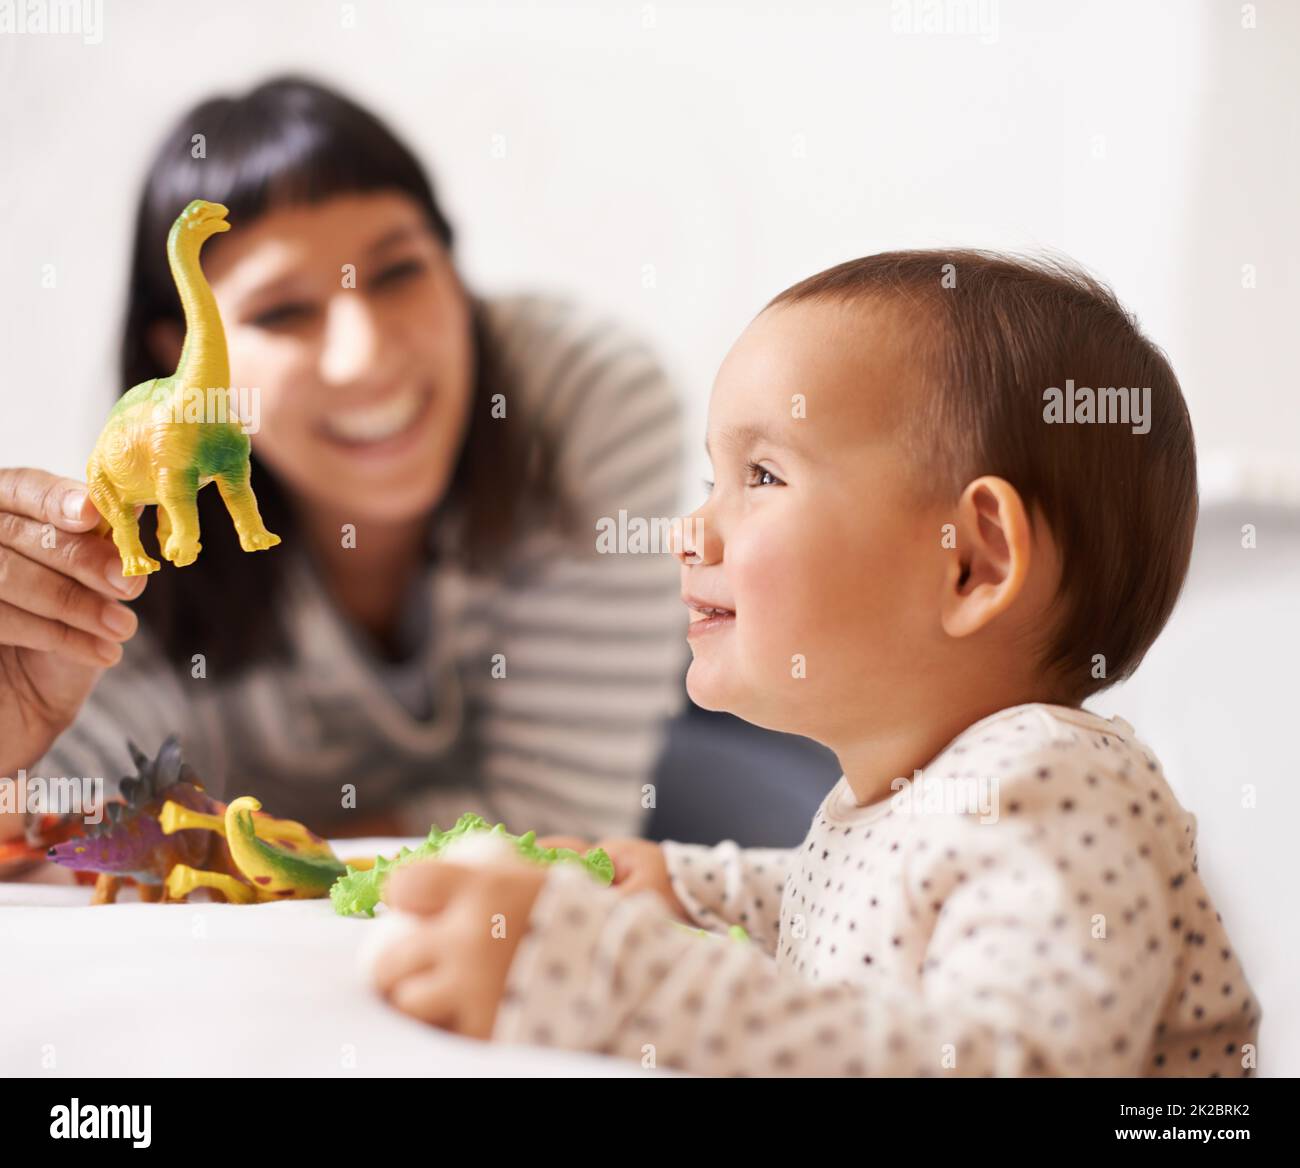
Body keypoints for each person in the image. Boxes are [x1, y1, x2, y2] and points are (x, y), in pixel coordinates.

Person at [372, 251, 1260, 1076]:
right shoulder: (906, 798)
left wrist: (624, 983)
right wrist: (692, 890)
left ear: (971, 563)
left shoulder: (1052, 785)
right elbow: (864, 912)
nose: (692, 530)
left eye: (761, 476)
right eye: (710, 477)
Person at [0, 76, 685, 849]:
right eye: (283, 312)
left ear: (456, 271)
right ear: (181, 352)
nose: (364, 358)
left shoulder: (581, 398)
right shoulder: (136, 528)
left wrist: (242, 857)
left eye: (398, 272)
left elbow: (560, 825)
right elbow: (52, 834)